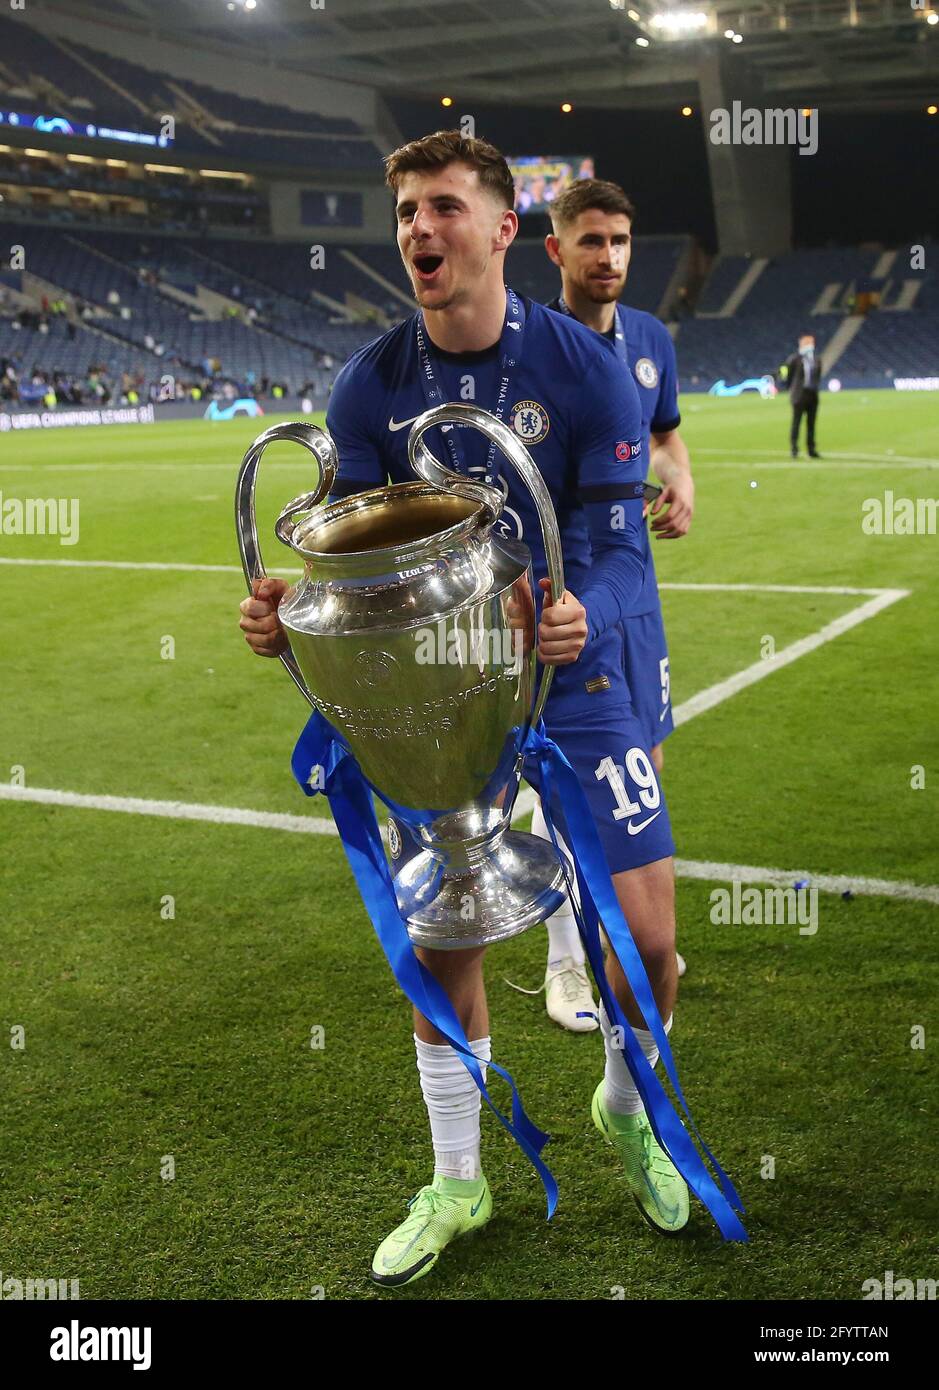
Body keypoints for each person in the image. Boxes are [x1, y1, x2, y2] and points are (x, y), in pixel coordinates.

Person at [239, 131, 690, 1287]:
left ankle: (625, 1112)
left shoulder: (584, 369)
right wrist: (287, 609)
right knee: (445, 942)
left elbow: (621, 546)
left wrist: (582, 600)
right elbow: (347, 556)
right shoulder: (371, 385)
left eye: (443, 207)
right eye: (404, 210)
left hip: (575, 680)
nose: (417, 230)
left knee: (648, 944)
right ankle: (458, 1177)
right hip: (444, 692)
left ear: (500, 231)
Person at [536, 178, 694, 1029]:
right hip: (561, 589)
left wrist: (681, 477)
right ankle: (565, 960)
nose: (609, 257)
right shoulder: (528, 347)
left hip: (631, 588)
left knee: (647, 764)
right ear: (555, 249)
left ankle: (634, 935)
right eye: (591, 240)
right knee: (565, 781)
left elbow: (665, 430)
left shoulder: (649, 338)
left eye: (621, 241)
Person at [783, 333, 823, 459]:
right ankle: (794, 448)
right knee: (796, 422)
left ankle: (811, 449)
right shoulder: (794, 359)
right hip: (799, 395)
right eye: (806, 342)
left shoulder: (817, 359)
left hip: (812, 394)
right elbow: (788, 376)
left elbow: (818, 376)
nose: (809, 345)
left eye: (810, 342)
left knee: (811, 424)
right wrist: (791, 390)